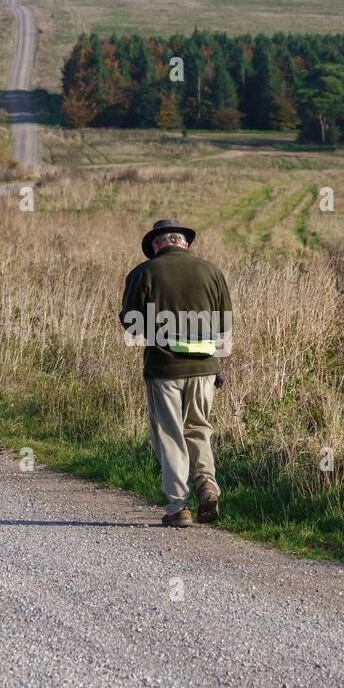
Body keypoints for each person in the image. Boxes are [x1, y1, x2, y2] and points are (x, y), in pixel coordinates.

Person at [120, 219, 233, 527]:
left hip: (163, 368)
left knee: (170, 435)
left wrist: (157, 331)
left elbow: (131, 324)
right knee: (199, 429)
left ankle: (178, 507)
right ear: (185, 243)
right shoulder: (212, 272)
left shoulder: (143, 273)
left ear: (157, 245)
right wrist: (216, 365)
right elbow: (223, 326)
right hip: (205, 369)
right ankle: (207, 485)